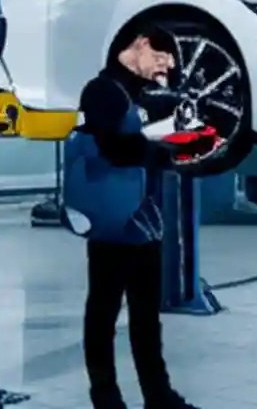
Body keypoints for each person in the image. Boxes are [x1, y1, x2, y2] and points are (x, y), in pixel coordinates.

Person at [63, 24, 214, 409]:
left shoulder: (134, 93)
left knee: (147, 318)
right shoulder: (101, 90)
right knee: (104, 312)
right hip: (112, 221)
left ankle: (158, 396)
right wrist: (163, 152)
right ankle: (106, 398)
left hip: (140, 219)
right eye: (160, 58)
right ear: (140, 44)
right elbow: (113, 147)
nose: (162, 68)